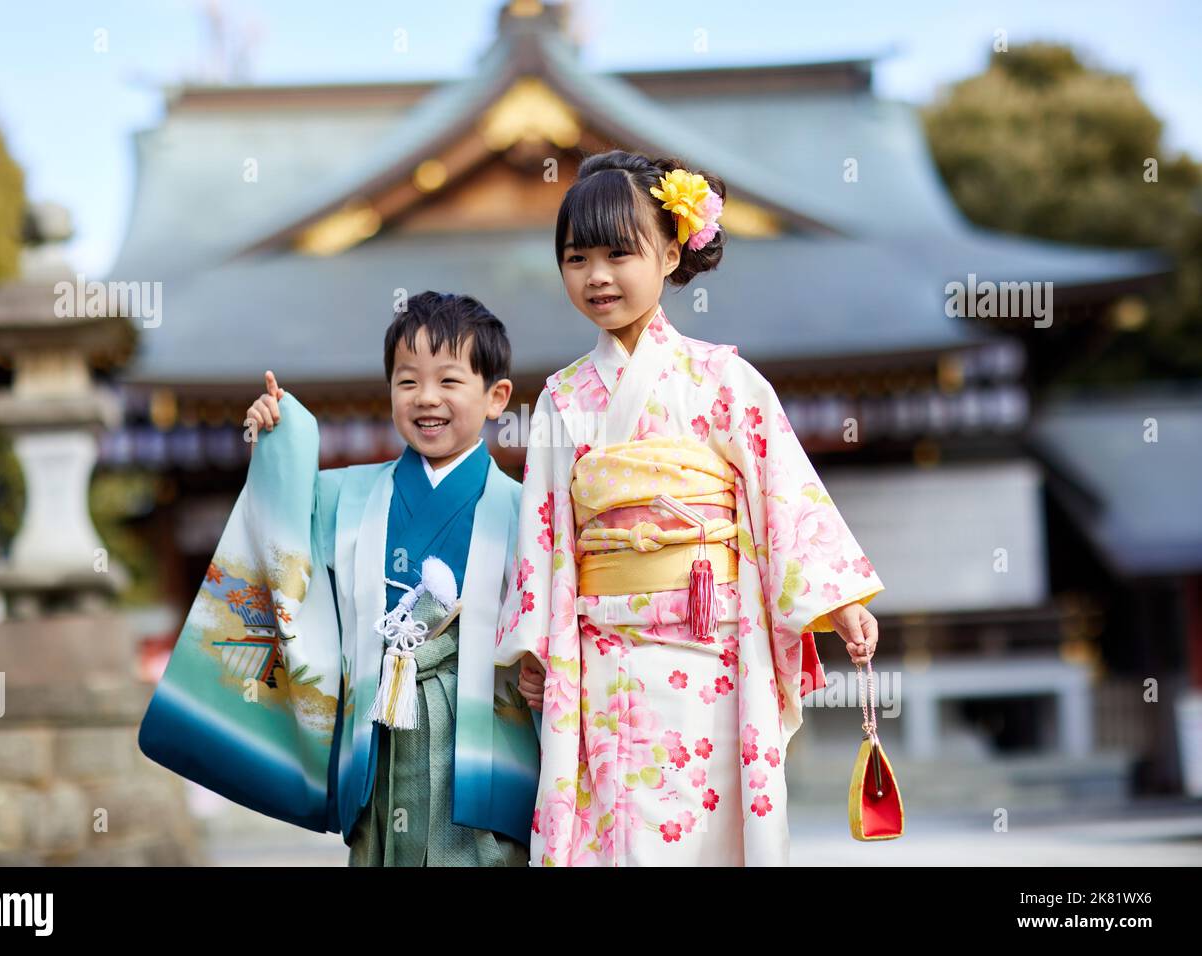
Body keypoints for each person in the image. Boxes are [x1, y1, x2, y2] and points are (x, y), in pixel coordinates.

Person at [496, 150, 885, 866]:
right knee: (616, 832)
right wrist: (535, 644)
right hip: (603, 658)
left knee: (713, 830)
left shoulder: (724, 378)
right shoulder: (562, 398)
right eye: (577, 258)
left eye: (620, 253)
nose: (598, 276)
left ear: (672, 252)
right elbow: (544, 534)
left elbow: (782, 494)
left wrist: (839, 601)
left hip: (717, 652)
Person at [139, 291, 539, 866]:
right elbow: (284, 533)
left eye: (449, 382)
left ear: (497, 395)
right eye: (407, 382)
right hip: (379, 733)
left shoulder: (528, 511)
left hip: (481, 744)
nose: (427, 399)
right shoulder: (347, 496)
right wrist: (279, 441)